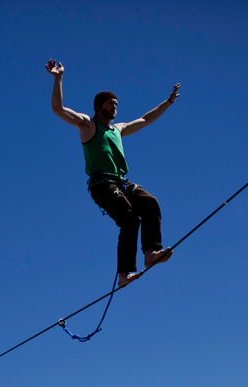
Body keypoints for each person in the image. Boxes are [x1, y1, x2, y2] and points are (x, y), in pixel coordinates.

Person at [45, 58, 180, 288]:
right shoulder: (88, 125)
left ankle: (150, 253)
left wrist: (167, 102)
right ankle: (123, 274)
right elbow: (58, 109)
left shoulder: (118, 129)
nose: (114, 107)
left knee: (150, 203)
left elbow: (145, 120)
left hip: (122, 183)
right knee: (129, 220)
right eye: (110, 104)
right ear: (99, 107)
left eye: (116, 104)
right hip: (101, 186)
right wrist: (58, 78)